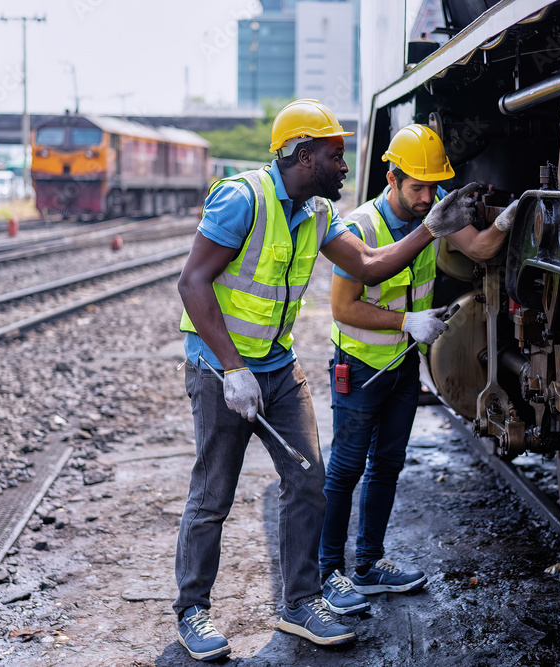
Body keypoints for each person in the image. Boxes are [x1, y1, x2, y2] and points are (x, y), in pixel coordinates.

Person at [173, 102, 480, 661]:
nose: (345, 166)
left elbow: (366, 264)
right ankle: (192, 610)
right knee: (213, 494)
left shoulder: (315, 211)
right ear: (302, 154)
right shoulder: (242, 198)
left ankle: (299, 602)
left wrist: (431, 227)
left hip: (278, 367)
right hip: (222, 371)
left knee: (308, 479)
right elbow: (192, 284)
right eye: (336, 155)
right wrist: (233, 369)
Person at [318, 124, 517, 616]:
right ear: (392, 178)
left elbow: (481, 249)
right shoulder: (360, 227)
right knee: (344, 470)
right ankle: (327, 574)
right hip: (361, 366)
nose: (429, 198)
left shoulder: (436, 209)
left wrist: (511, 220)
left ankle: (367, 566)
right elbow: (343, 308)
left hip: (403, 364)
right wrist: (407, 320)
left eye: (435, 186)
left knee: (387, 465)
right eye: (419, 188)